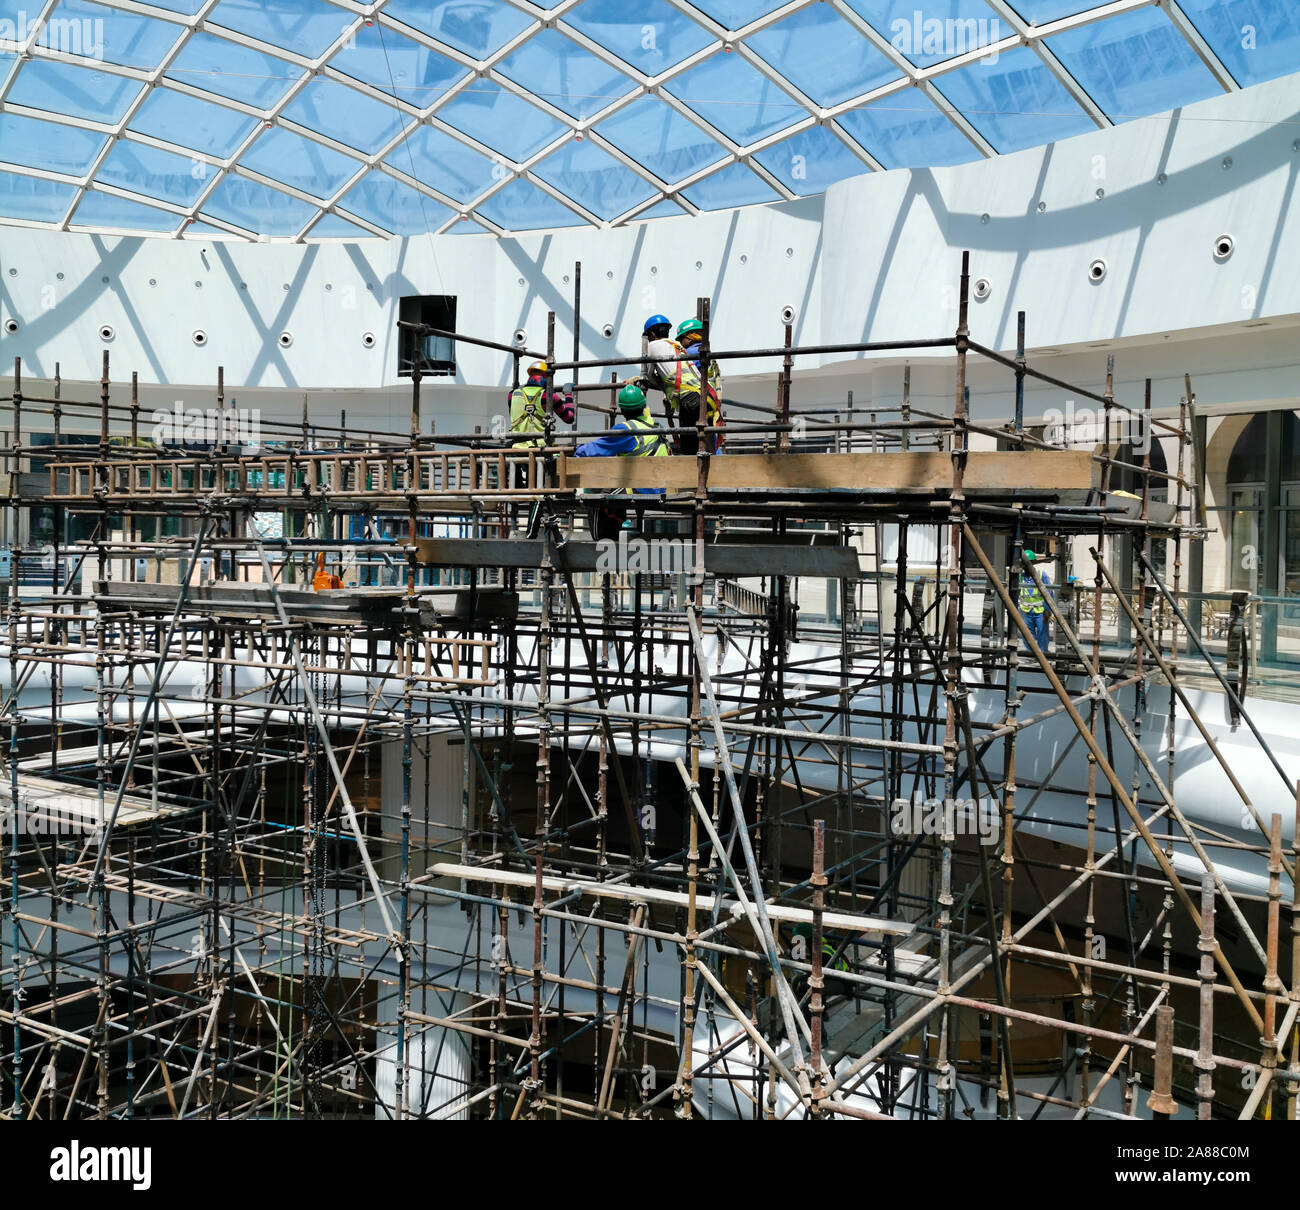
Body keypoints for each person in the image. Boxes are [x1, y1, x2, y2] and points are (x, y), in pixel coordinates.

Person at [573, 384, 668, 539]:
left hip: (641, 489)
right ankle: (616, 526)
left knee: (596, 494)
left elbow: (596, 450)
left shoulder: (626, 430)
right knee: (615, 488)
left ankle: (602, 539)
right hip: (660, 488)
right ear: (643, 406)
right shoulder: (655, 425)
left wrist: (576, 450)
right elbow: (644, 407)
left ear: (622, 410)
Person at [642, 316, 724, 455]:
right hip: (707, 398)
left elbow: (648, 376)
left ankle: (695, 475)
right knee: (706, 444)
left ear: (652, 334)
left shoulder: (652, 346)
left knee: (689, 447)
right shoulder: (677, 347)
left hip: (689, 399)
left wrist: (653, 383)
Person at [508, 360, 575, 488]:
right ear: (546, 377)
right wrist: (568, 394)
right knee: (539, 488)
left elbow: (514, 416)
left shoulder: (512, 395)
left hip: (516, 448)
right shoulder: (549, 396)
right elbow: (569, 418)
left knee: (519, 491)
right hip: (540, 449)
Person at [1018, 550, 1053, 652]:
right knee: (1027, 634)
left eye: (1027, 564)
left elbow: (1049, 593)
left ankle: (1043, 654)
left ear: (1033, 563)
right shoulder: (1020, 576)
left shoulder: (1041, 575)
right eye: (1023, 564)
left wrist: (1047, 610)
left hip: (1040, 611)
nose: (1024, 567)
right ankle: (1031, 654)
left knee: (1042, 634)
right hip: (1025, 611)